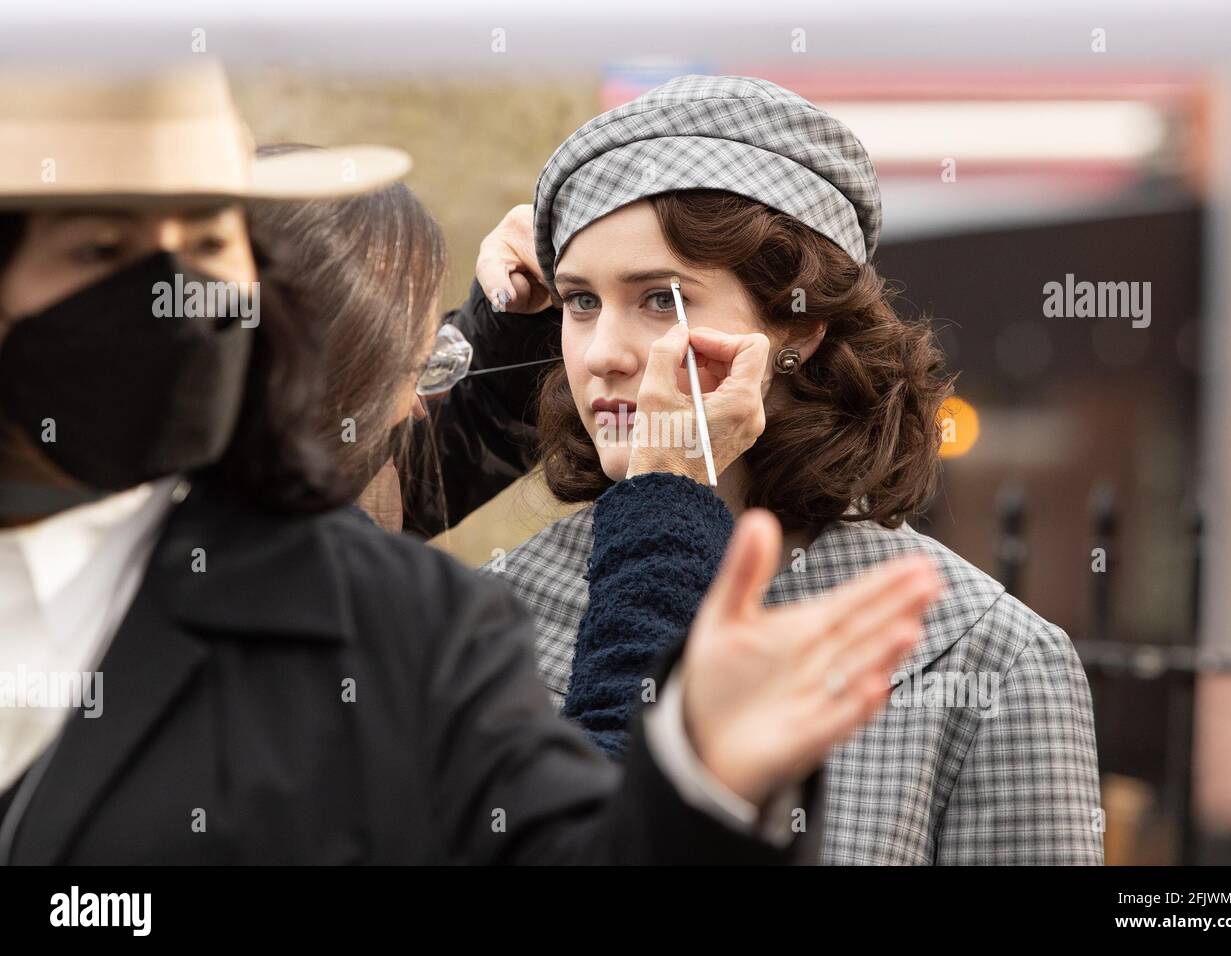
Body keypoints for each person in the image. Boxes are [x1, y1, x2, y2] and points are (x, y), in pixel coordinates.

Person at [0, 63, 941, 864]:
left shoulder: (408, 625)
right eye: (101, 248)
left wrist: (696, 780)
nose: (183, 297)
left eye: (211, 243)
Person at [489, 75, 1105, 865]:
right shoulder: (492, 615)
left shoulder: (992, 658)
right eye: (580, 302)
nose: (604, 353)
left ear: (800, 325)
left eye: (660, 301)